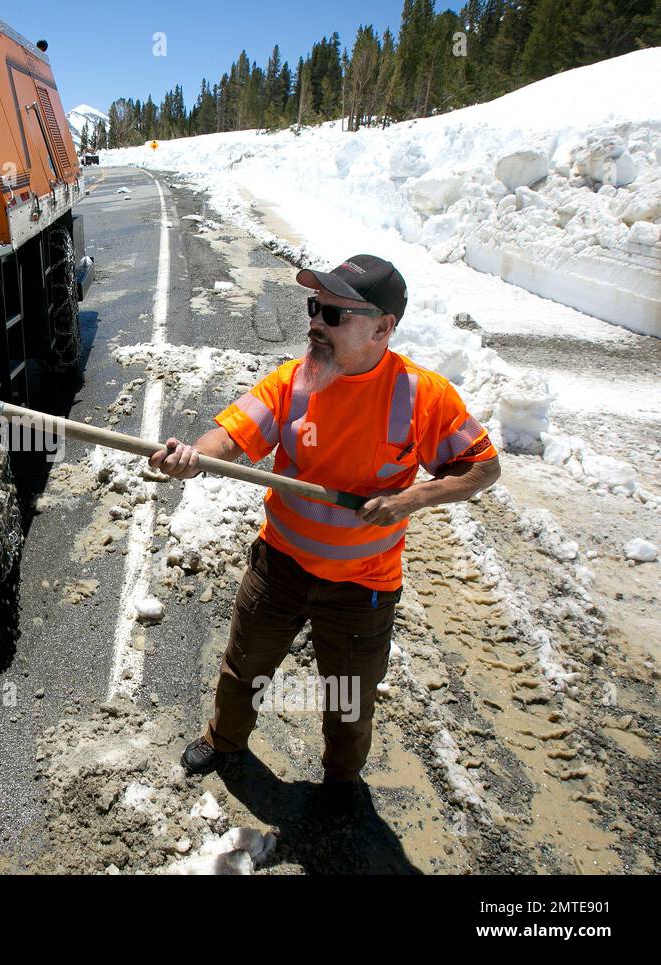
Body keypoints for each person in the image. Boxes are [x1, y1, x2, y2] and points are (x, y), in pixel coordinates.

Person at [150, 254, 500, 813]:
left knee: (349, 699)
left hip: (363, 587)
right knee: (243, 668)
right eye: (316, 308)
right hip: (280, 566)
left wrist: (411, 498)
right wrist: (194, 456)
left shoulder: (422, 396)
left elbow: (482, 468)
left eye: (335, 314)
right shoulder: (292, 383)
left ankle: (342, 780)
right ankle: (223, 741)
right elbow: (231, 436)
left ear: (383, 327)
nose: (316, 322)